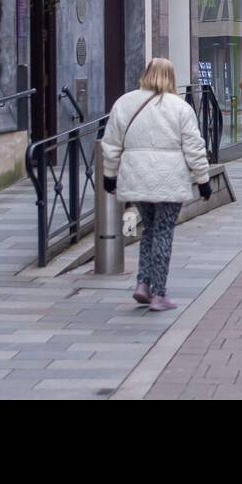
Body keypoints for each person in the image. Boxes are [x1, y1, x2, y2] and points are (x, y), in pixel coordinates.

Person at [101, 58, 212, 312]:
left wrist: (109, 175)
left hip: (136, 177)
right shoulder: (180, 107)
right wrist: (203, 181)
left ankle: (143, 283)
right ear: (170, 77)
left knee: (149, 230)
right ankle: (158, 294)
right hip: (169, 181)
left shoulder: (125, 103)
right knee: (163, 232)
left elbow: (111, 142)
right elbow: (194, 148)